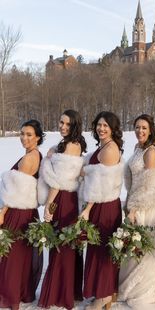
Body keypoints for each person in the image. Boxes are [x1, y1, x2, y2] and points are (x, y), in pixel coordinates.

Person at [118, 114, 155, 309]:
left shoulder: (151, 152)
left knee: (145, 246)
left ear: (150, 130)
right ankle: (130, 288)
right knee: (133, 246)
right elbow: (134, 181)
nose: (140, 131)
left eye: (144, 128)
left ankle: (143, 292)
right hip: (133, 203)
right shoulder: (136, 148)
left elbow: (149, 186)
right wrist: (128, 205)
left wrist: (134, 208)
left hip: (146, 206)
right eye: (137, 127)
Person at [38, 110, 86, 310]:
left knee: (61, 245)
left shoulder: (70, 145)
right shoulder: (67, 145)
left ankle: (59, 293)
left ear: (75, 125)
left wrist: (49, 206)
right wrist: (52, 154)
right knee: (65, 245)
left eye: (67, 124)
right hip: (67, 198)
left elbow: (58, 181)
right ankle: (68, 290)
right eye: (61, 122)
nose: (63, 126)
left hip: (63, 199)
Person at [80, 111, 124, 310]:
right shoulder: (103, 146)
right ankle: (105, 293)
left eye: (106, 125)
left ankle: (103, 296)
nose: (101, 128)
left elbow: (101, 185)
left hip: (104, 205)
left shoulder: (110, 149)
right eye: (99, 125)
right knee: (99, 248)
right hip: (101, 204)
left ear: (113, 129)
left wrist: (87, 209)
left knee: (103, 251)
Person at [0, 119, 44, 310]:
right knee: (22, 254)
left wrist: (2, 213)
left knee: (13, 255)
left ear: (38, 138)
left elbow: (15, 192)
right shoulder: (36, 155)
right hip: (27, 212)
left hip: (17, 211)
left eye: (29, 135)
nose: (24, 138)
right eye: (22, 134)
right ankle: (21, 291)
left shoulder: (28, 159)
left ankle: (10, 294)